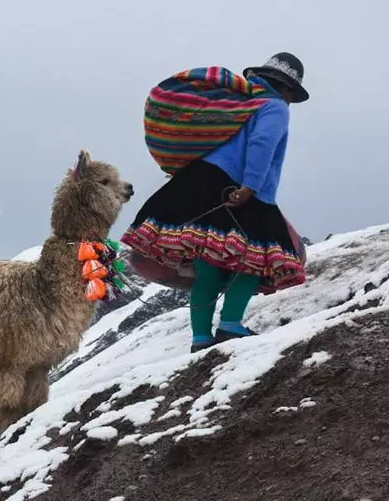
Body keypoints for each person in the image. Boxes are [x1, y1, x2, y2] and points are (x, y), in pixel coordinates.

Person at [121, 52, 309, 353]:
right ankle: (230, 326)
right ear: (286, 89)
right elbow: (262, 144)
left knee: (208, 262)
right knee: (254, 260)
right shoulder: (274, 107)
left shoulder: (243, 103)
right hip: (240, 186)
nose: (289, 102)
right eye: (291, 96)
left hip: (202, 179)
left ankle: (200, 338)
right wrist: (250, 186)